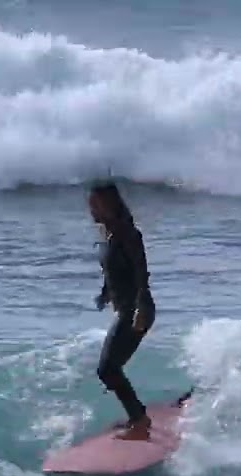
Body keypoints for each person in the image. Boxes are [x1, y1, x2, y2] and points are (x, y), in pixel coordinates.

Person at [88, 181, 156, 438]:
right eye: (90, 204)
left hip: (136, 311)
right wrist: (106, 293)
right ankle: (137, 416)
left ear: (109, 205)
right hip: (126, 310)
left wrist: (141, 306)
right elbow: (115, 271)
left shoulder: (129, 234)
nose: (91, 209)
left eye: (95, 204)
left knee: (107, 369)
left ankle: (140, 421)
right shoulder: (110, 235)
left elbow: (141, 272)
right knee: (110, 369)